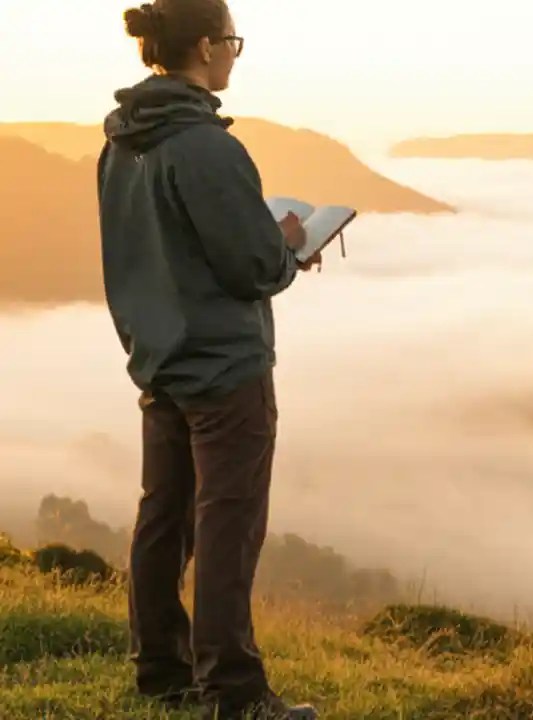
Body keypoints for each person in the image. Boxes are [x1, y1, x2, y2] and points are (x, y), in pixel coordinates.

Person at [97, 1, 319, 718]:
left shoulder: (123, 143)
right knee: (228, 524)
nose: (234, 54)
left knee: (162, 518)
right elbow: (251, 265)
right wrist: (288, 244)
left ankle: (161, 669)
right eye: (231, 41)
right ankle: (235, 692)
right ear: (203, 46)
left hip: (158, 358)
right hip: (224, 371)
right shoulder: (206, 147)